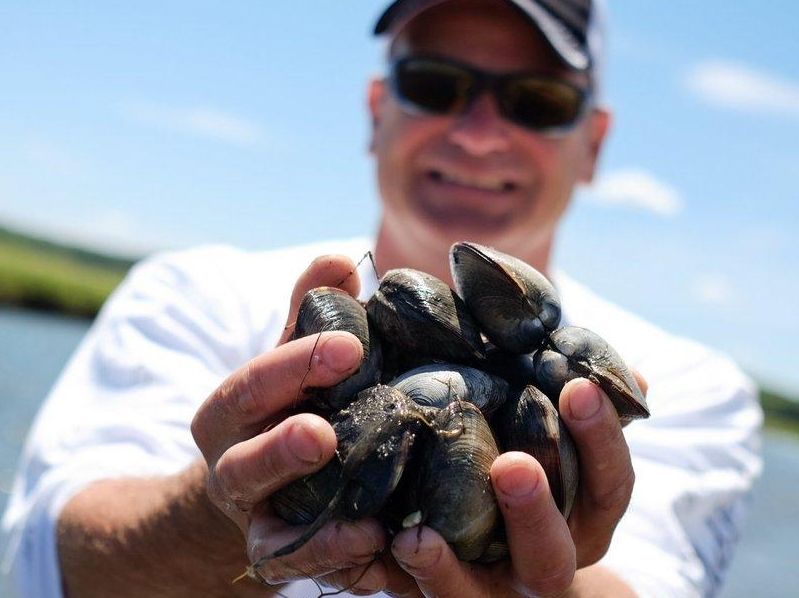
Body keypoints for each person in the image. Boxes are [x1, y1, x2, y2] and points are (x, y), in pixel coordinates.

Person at [2, 0, 762, 596]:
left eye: (534, 101)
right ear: (375, 109)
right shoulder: (192, 295)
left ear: (593, 144)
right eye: (434, 84)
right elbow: (50, 567)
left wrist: (546, 590)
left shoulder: (691, 386)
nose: (476, 131)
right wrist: (215, 516)